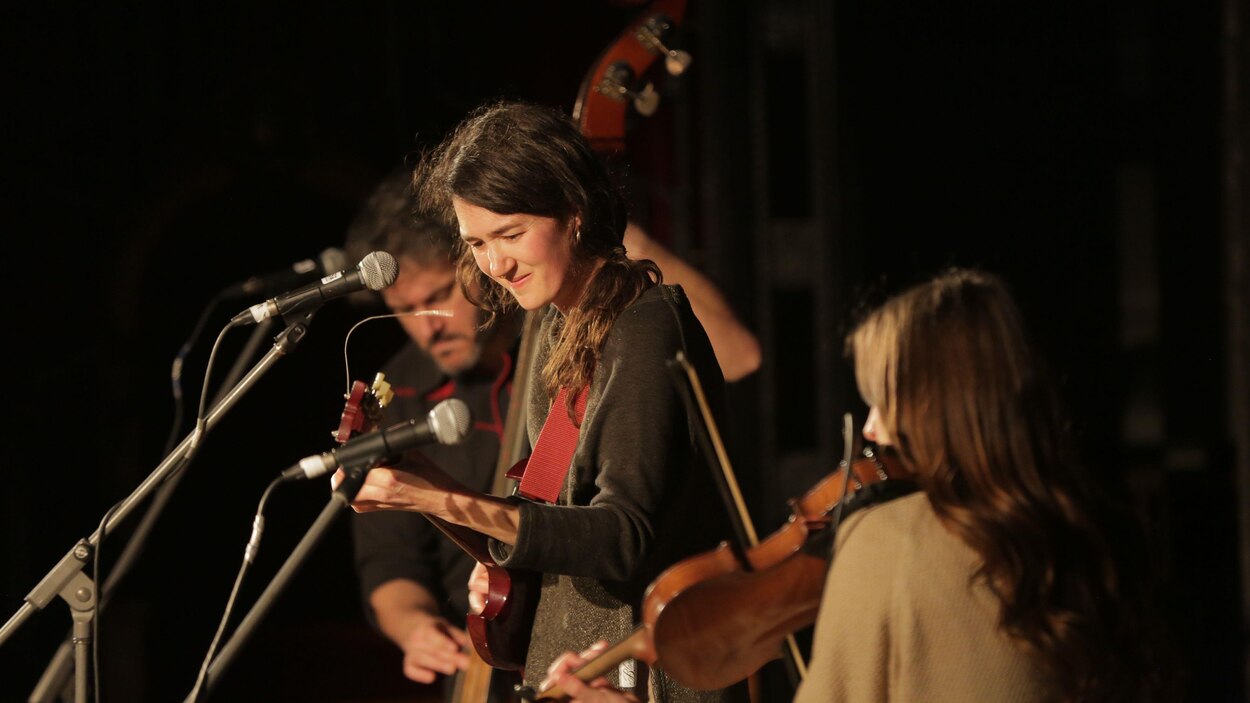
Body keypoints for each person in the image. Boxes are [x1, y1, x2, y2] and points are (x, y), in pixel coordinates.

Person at [541, 268, 1177, 702]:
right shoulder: (1086, 533)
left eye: (885, 401)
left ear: (940, 409)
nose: (870, 428)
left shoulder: (891, 540)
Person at [341, 111, 760, 703]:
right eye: (477, 244)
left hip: (644, 678)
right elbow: (545, 525)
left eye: (510, 236)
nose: (495, 267)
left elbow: (621, 537)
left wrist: (432, 497)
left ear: (575, 212)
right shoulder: (554, 324)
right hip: (571, 670)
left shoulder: (646, 326)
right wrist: (419, 481)